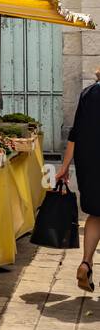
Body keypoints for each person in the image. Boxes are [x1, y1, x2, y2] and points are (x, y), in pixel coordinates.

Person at [57, 80, 100, 292]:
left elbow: (75, 133)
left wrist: (64, 166)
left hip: (90, 166)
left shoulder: (88, 93)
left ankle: (86, 263)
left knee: (95, 215)